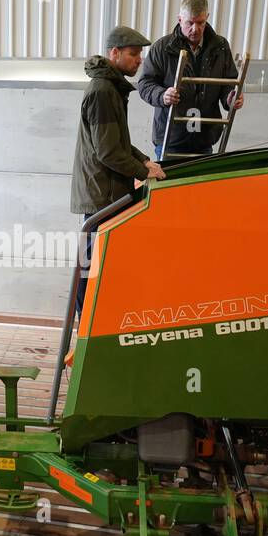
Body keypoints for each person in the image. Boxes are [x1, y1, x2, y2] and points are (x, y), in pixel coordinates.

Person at [70, 25, 167, 317]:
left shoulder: (111, 88)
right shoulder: (102, 92)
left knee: (98, 262)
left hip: (107, 189)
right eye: (134, 54)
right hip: (102, 192)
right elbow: (108, 152)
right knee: (92, 266)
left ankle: (91, 322)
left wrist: (144, 161)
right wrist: (142, 171)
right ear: (115, 53)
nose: (140, 60)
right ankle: (84, 325)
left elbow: (118, 142)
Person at [137, 0, 244, 158]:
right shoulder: (162, 47)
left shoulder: (220, 47)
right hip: (170, 137)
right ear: (180, 19)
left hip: (204, 137)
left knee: (200, 183)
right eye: (190, 23)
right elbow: (145, 83)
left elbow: (228, 82)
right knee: (169, 183)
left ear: (207, 17)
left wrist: (230, 98)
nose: (195, 29)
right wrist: (162, 95)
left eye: (201, 23)